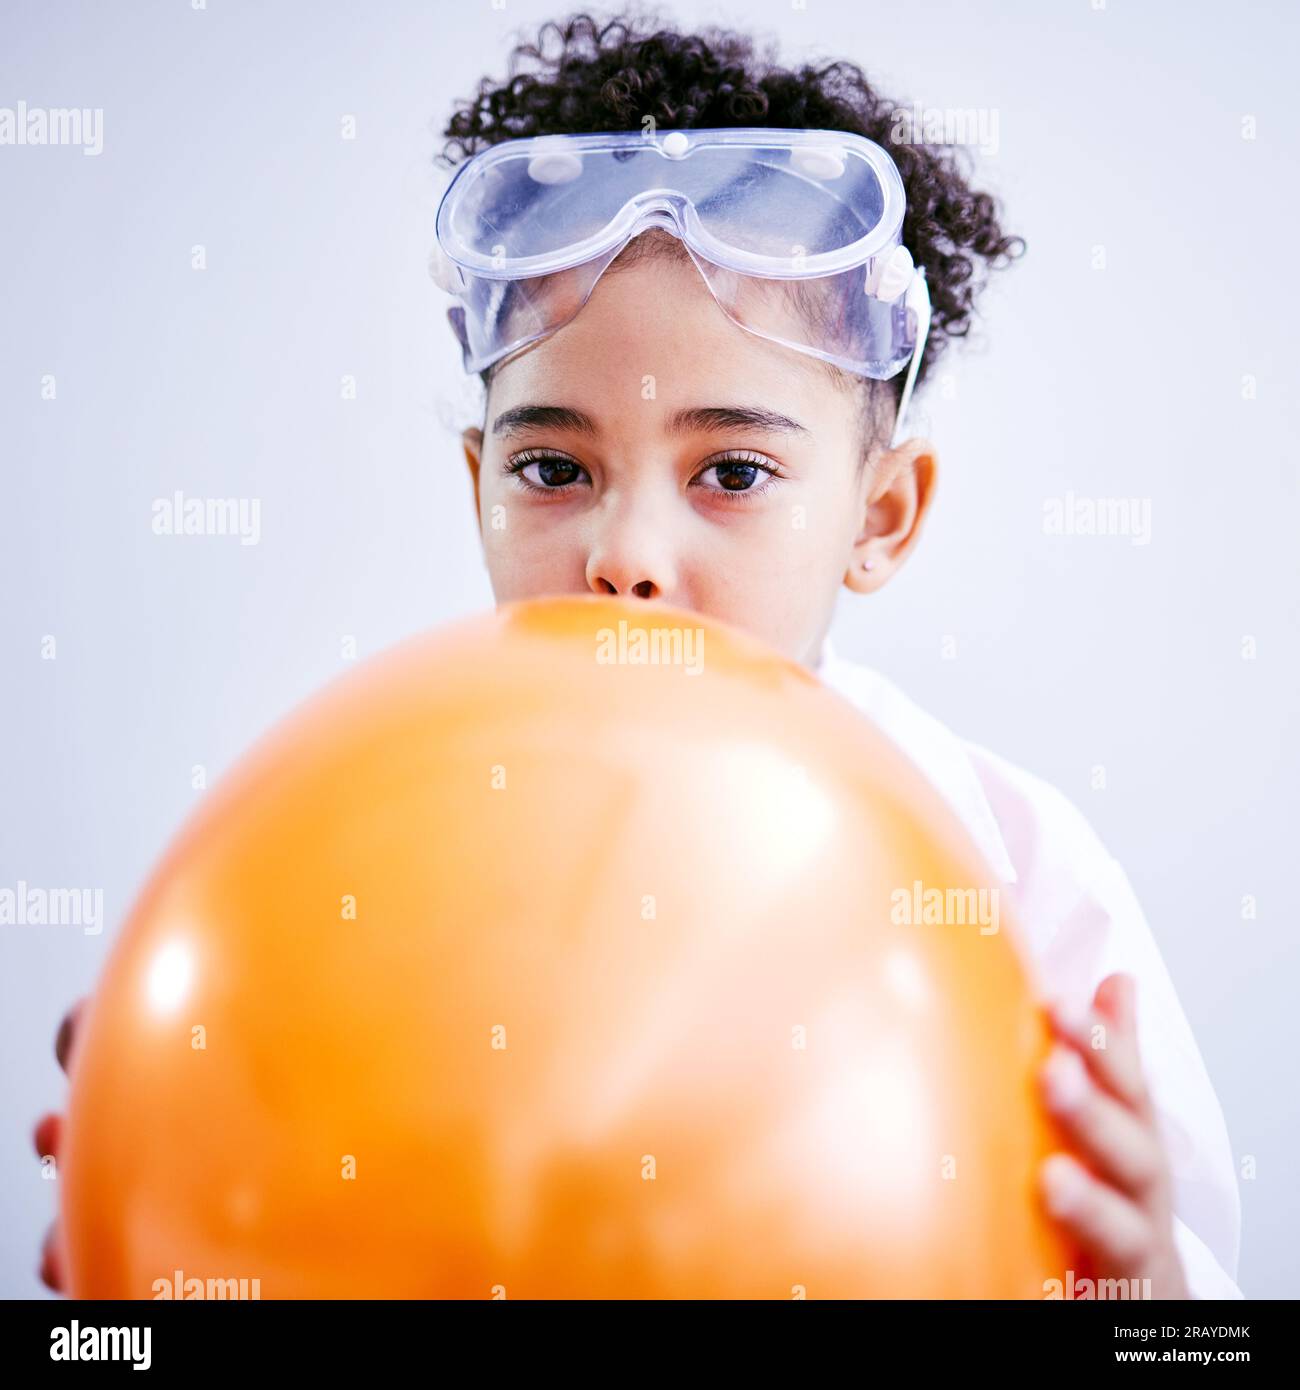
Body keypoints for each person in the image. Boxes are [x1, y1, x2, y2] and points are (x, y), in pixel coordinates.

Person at [33, 10, 1241, 1299]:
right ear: (478, 488)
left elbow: (1193, 1305)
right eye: (553, 468)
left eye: (732, 471)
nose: (627, 555)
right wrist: (166, 1205)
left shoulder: (1020, 882)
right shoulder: (350, 848)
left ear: (879, 515)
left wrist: (1150, 1291)